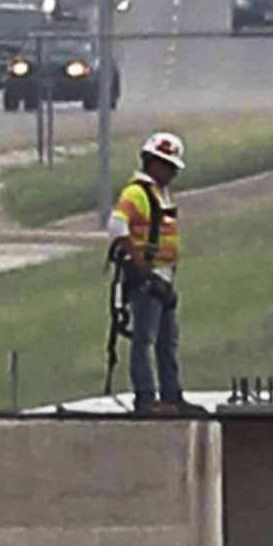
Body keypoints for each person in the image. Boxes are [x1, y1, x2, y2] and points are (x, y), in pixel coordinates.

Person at [108, 129, 189, 414]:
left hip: (164, 277)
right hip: (148, 278)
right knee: (144, 340)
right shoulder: (136, 193)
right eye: (167, 167)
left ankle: (171, 395)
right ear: (152, 163)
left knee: (168, 341)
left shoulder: (160, 195)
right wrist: (140, 262)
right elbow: (117, 227)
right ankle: (145, 397)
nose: (171, 174)